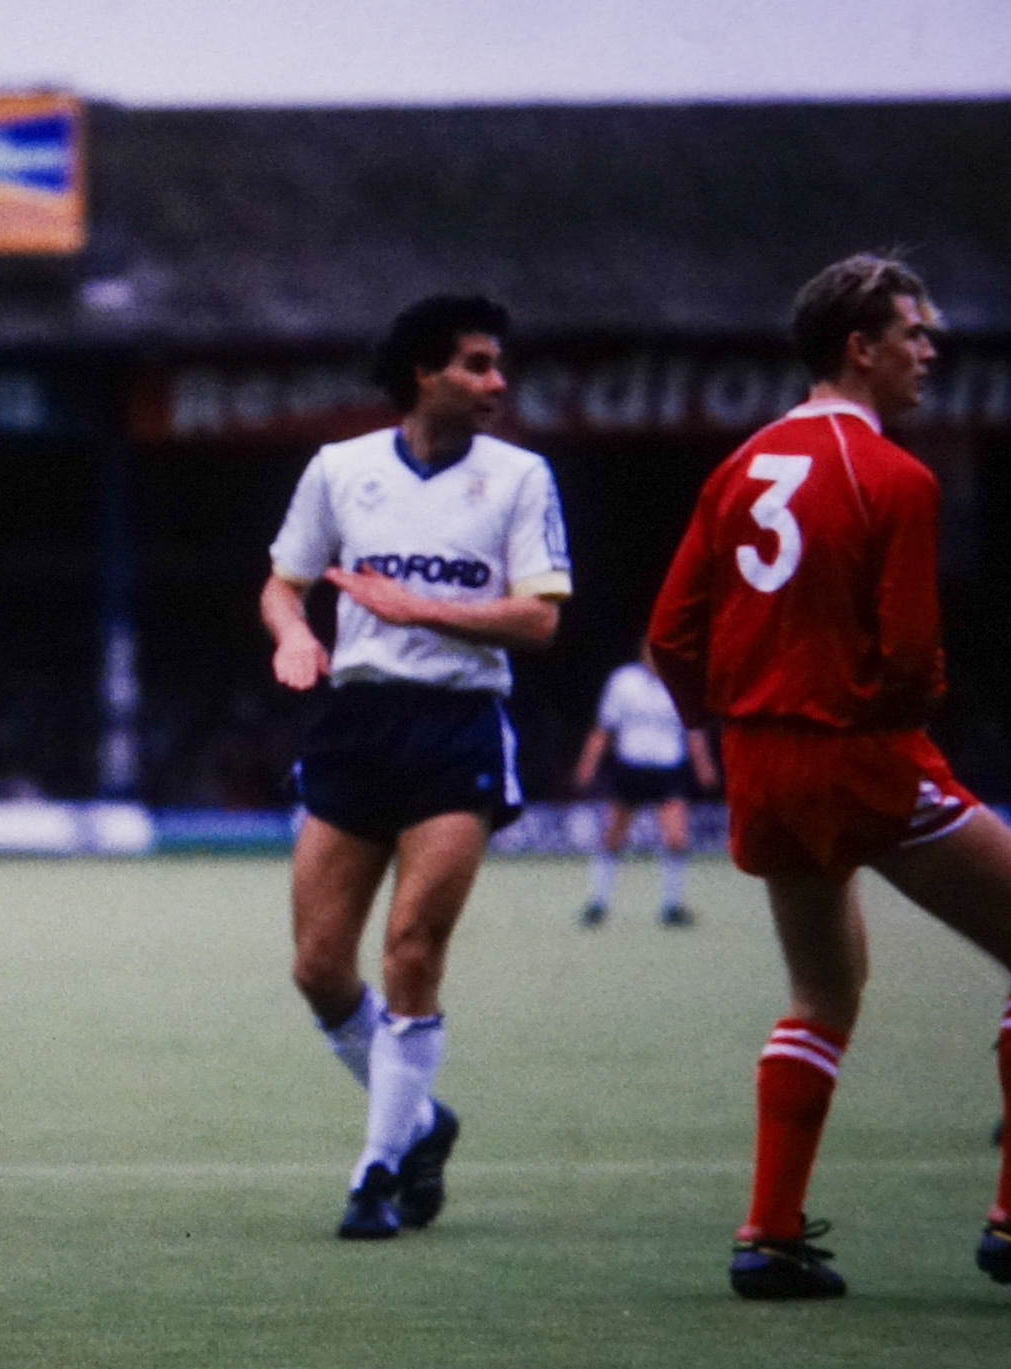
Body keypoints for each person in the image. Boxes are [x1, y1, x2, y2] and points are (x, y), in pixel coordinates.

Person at [647, 253, 1011, 1299]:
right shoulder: (895, 476)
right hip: (860, 753)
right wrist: (883, 734)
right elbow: (910, 661)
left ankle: (767, 1236)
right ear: (858, 347)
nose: (929, 351)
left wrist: (727, 723)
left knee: (820, 992)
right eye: (913, 333)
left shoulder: (739, 467)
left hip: (762, 763)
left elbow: (670, 635)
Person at [260, 295, 570, 1239]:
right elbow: (285, 581)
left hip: (456, 729)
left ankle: (376, 1172)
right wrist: (293, 639)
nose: (495, 382)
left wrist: (417, 612)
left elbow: (540, 617)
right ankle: (421, 1119)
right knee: (317, 968)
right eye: (475, 364)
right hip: (356, 724)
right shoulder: (339, 469)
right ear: (422, 374)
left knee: (408, 951)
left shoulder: (519, 477)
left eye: (496, 364)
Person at [570, 643, 718, 927]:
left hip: (668, 771)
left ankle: (671, 906)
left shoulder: (682, 683)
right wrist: (587, 765)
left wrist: (704, 766)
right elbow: (604, 728)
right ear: (642, 653)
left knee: (677, 838)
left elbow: (693, 732)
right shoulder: (623, 681)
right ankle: (597, 903)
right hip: (631, 770)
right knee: (613, 837)